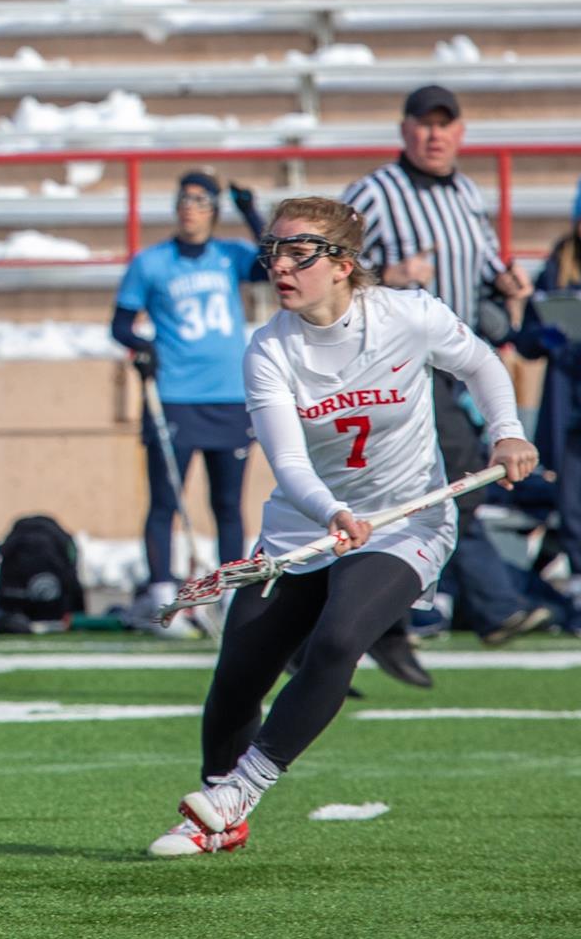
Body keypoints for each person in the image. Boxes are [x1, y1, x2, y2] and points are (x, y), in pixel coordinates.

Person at [151, 197, 536, 858]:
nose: (280, 264)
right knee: (238, 677)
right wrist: (331, 512)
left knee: (337, 640)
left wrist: (507, 432)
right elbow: (289, 460)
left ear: (343, 265)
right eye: (274, 249)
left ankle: (241, 791)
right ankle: (216, 814)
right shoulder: (270, 348)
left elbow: (479, 362)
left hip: (405, 520)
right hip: (308, 525)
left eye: (299, 251)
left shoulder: (407, 315)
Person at [344, 84, 543, 666]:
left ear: (460, 132)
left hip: (454, 360)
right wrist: (386, 272)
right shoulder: (375, 193)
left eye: (444, 124)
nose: (434, 136)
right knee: (457, 472)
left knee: (421, 484)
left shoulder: (464, 192)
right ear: (405, 129)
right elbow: (327, 261)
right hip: (395, 363)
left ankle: (379, 618)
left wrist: (507, 281)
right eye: (423, 124)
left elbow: (485, 262)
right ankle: (492, 602)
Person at [111, 172, 266, 634]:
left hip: (229, 396)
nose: (190, 208)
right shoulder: (151, 262)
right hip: (176, 396)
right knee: (166, 499)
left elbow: (274, 264)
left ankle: (233, 594)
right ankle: (162, 593)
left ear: (214, 209)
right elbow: (120, 324)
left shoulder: (230, 255)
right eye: (184, 199)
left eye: (201, 200)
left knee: (227, 503)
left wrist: (251, 212)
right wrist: (143, 346)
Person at [503, 176, 581, 598]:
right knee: (570, 499)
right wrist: (549, 333)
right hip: (568, 405)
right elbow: (527, 342)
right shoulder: (558, 265)